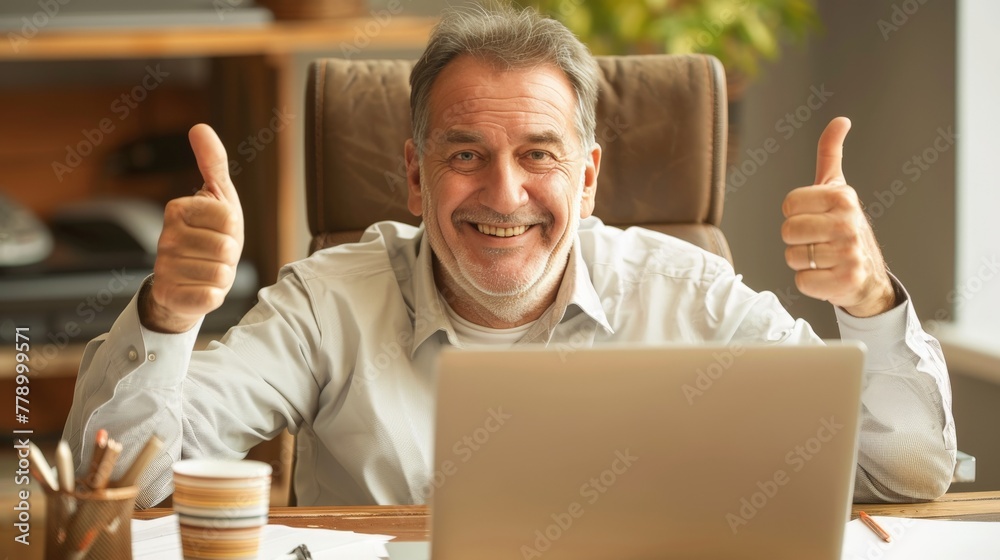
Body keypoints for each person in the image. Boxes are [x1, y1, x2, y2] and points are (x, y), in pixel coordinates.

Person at [64, 5, 955, 508]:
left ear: (590, 176)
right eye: (464, 155)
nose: (504, 193)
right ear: (414, 177)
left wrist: (869, 297)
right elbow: (122, 485)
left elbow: (905, 473)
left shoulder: (688, 292)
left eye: (538, 154)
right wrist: (170, 316)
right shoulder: (329, 301)